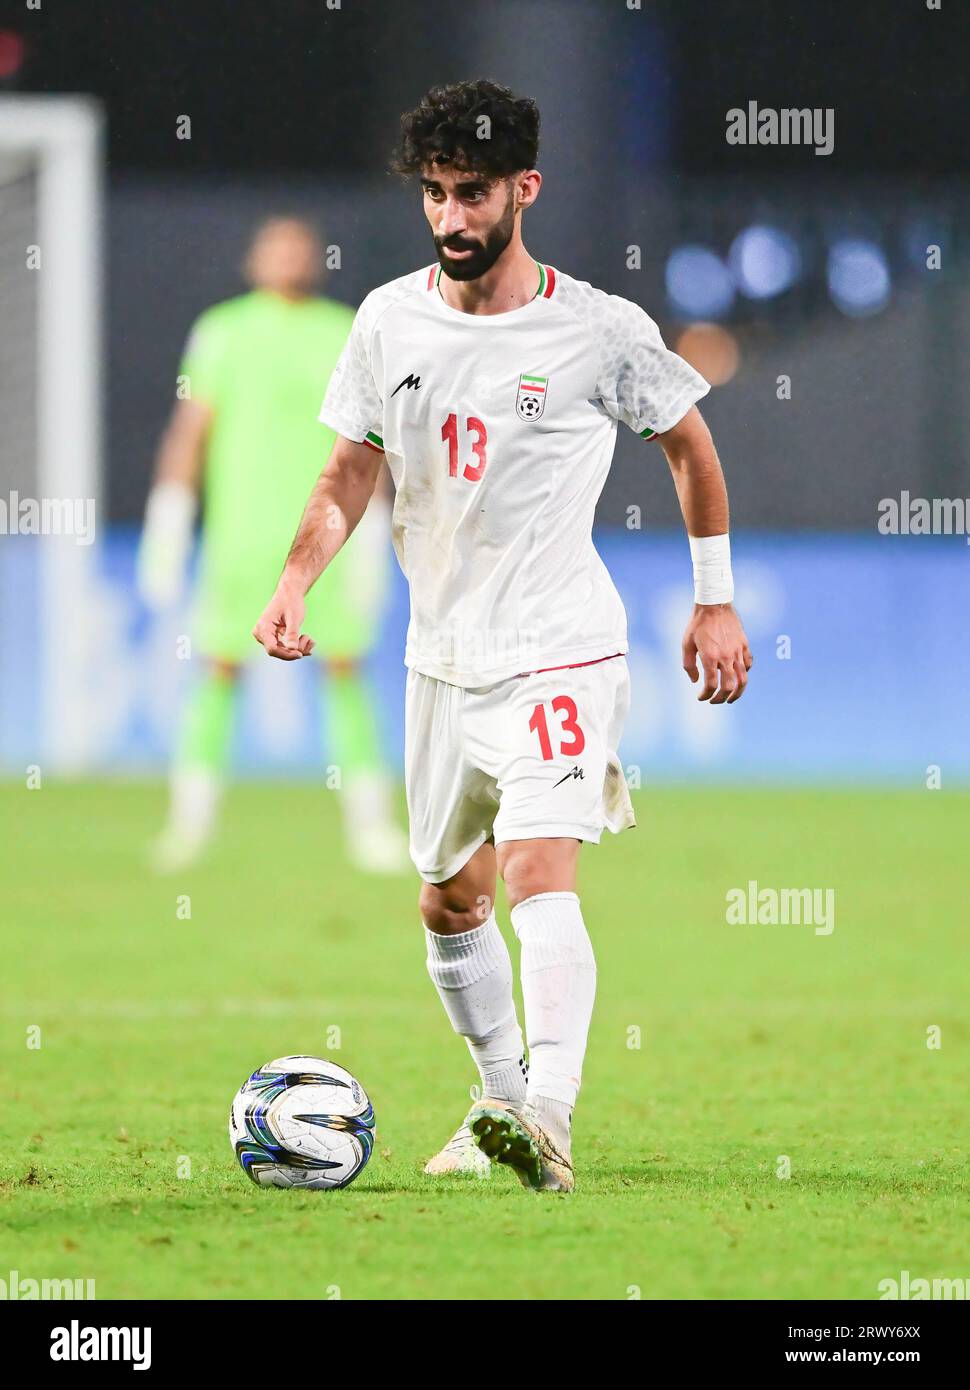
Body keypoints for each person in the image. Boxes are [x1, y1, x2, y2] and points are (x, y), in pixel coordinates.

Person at [253, 82, 752, 1192]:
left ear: (524, 189)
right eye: (433, 194)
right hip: (442, 658)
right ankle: (498, 1097)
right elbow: (349, 469)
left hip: (560, 642)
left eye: (470, 193)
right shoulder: (387, 321)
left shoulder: (597, 330)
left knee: (536, 873)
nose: (449, 217)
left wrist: (712, 598)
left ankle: (553, 1118)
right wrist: (296, 578)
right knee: (447, 897)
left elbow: (689, 445)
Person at [138, 216, 407, 874]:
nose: (287, 258)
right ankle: (188, 825)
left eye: (299, 248)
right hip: (240, 538)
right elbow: (192, 427)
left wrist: (377, 524)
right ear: (253, 259)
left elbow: (371, 437)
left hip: (325, 537)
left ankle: (371, 827)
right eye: (275, 247)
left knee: (345, 668)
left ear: (315, 259)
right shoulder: (222, 330)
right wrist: (170, 514)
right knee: (218, 669)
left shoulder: (344, 329)